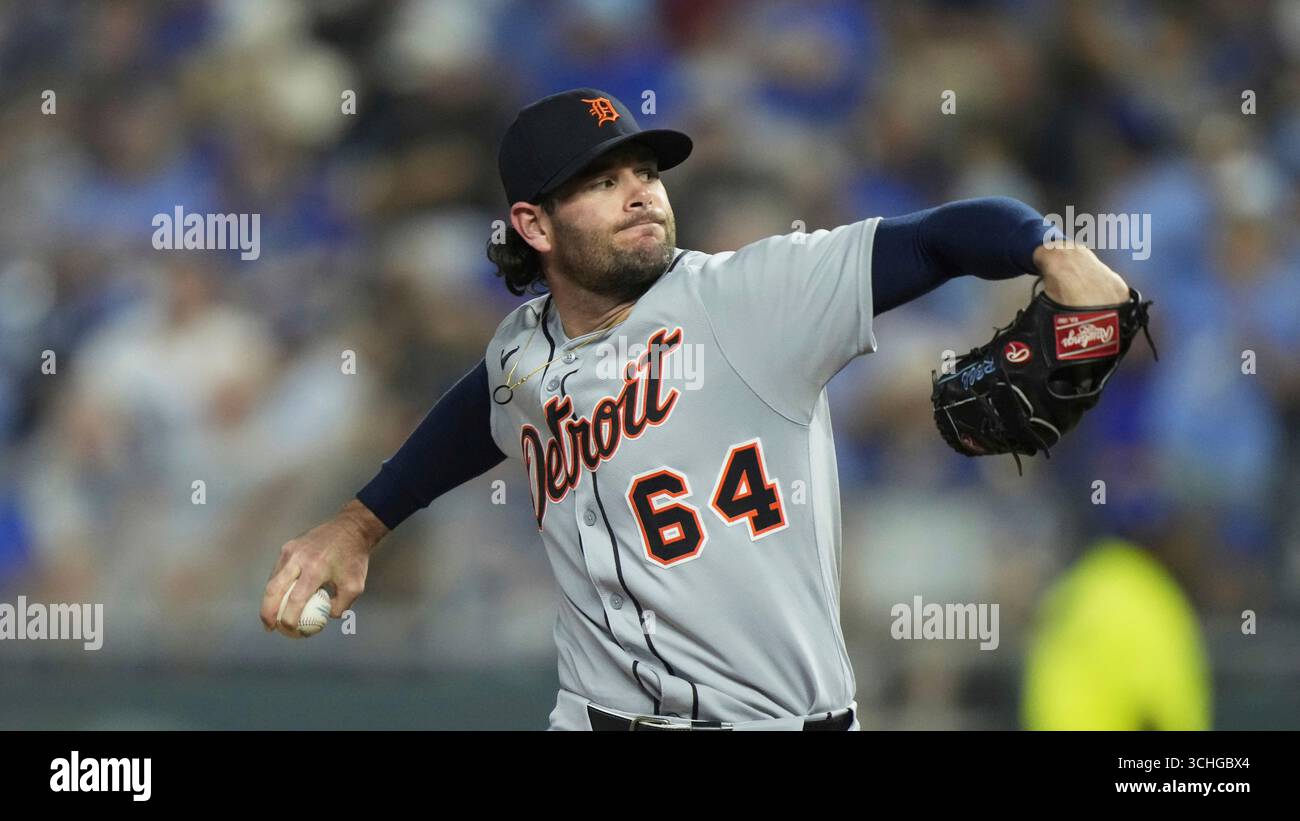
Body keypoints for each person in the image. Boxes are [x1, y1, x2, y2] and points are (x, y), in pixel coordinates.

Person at [260, 88, 1131, 730]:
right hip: (594, 715)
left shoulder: (753, 296)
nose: (641, 190)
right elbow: (478, 408)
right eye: (602, 181)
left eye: (644, 171)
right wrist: (361, 523)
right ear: (533, 223)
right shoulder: (521, 352)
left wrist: (1047, 248)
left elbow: (940, 236)